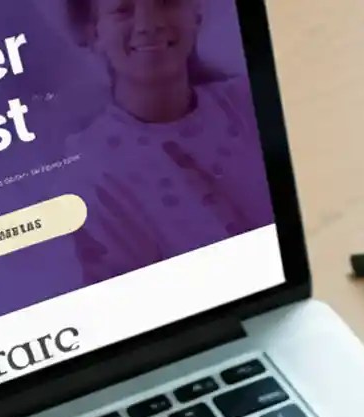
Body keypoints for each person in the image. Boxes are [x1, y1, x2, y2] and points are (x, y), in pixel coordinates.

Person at [63, 0, 275, 284]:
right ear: (93, 33)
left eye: (167, 2)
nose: (149, 24)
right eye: (123, 10)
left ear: (197, 13)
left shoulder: (250, 102)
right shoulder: (90, 176)